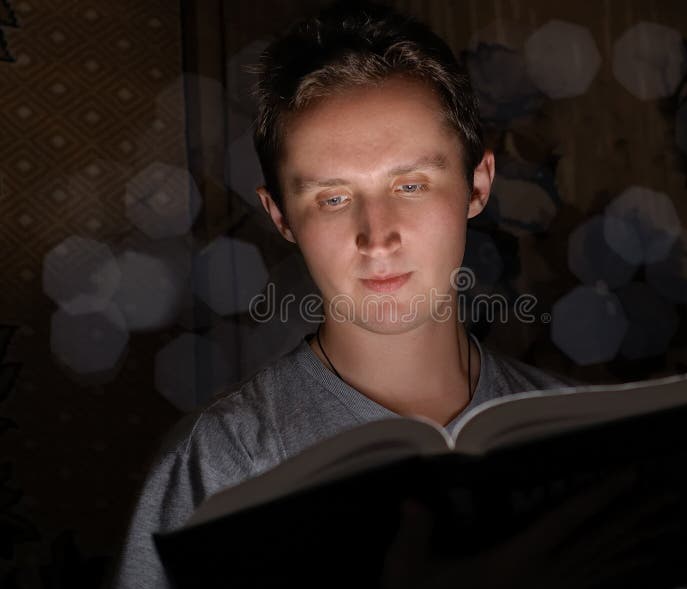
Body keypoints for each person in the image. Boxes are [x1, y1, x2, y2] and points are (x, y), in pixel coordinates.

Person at [109, 2, 583, 587]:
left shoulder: (582, 436)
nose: (377, 238)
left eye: (411, 185)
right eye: (332, 198)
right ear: (281, 215)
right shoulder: (224, 465)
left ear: (478, 185)